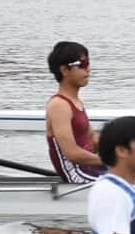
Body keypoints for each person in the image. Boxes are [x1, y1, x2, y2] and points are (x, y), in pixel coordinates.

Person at [44, 40, 103, 183]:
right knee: (131, 182)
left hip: (89, 167)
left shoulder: (76, 102)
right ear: (65, 70)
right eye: (82, 64)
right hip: (76, 172)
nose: (88, 69)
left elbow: (93, 140)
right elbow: (72, 153)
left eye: (88, 63)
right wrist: (107, 161)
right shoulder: (59, 105)